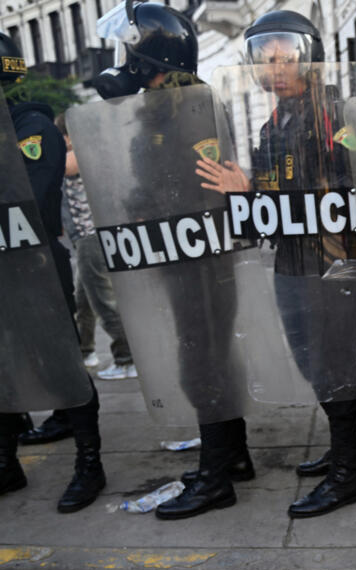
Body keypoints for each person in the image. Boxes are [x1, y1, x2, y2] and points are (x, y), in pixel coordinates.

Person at [196, 10, 356, 519]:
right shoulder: (276, 121)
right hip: (293, 261)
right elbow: (277, 205)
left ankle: (347, 476)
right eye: (264, 58)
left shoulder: (333, 116)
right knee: (313, 363)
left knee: (334, 364)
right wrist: (249, 194)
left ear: (310, 59)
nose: (275, 68)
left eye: (285, 56)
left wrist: (250, 193)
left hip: (332, 263)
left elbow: (352, 185)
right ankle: (350, 449)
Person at [90, 1, 252, 519]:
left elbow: (189, 181)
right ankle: (232, 457)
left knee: (201, 361)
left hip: (198, 254)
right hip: (188, 251)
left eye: (133, 51)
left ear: (152, 55)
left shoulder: (186, 106)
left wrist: (146, 200)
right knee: (209, 355)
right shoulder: (171, 101)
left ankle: (216, 478)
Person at [0, 31, 107, 512]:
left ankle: (90, 463)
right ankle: (6, 463)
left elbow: (32, 199)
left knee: (63, 364)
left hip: (37, 268)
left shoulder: (32, 127)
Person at [54, 113, 137, 381]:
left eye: (59, 135)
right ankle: (86, 351)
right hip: (87, 239)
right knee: (84, 300)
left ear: (69, 136)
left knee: (104, 302)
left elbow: (61, 166)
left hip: (92, 237)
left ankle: (127, 359)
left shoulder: (80, 153)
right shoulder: (88, 151)